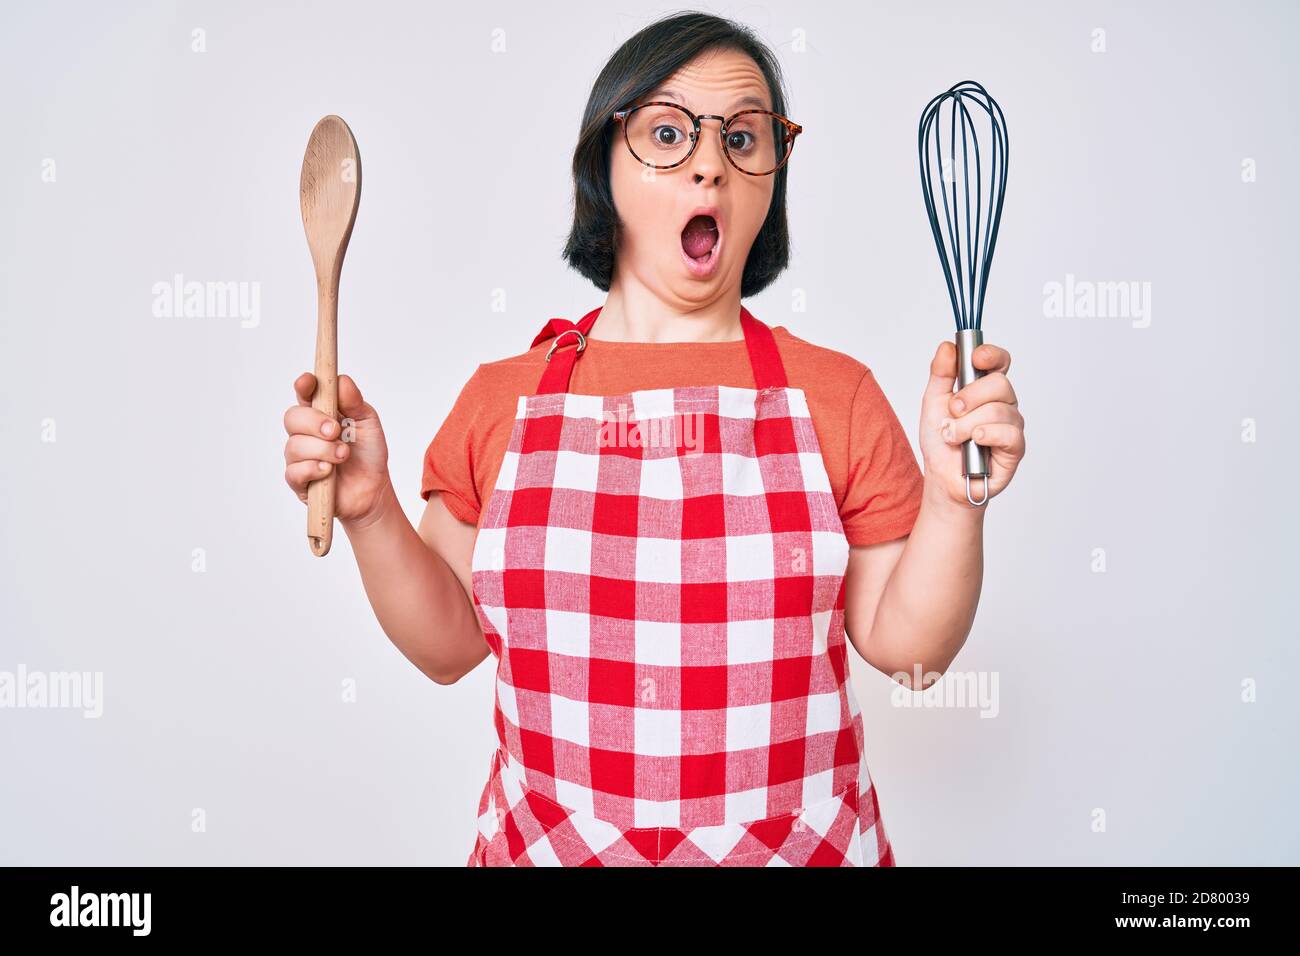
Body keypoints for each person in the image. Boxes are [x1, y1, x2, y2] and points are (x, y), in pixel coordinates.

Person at [280, 12, 1025, 866]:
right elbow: (450, 650)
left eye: (745, 137)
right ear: (605, 165)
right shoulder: (504, 401)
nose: (711, 161)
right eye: (668, 133)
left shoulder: (837, 396)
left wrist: (953, 498)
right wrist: (371, 513)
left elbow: (911, 651)